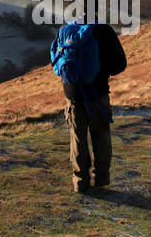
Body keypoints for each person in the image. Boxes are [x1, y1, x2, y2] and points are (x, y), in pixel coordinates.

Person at [50, 20, 126, 193]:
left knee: (77, 138)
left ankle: (80, 181)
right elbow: (120, 65)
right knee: (101, 136)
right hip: (98, 93)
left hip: (73, 95)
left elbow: (56, 61)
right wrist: (101, 70)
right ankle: (101, 179)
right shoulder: (104, 31)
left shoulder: (66, 30)